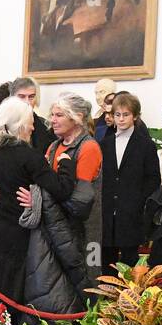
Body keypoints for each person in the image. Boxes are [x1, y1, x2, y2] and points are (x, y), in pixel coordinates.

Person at [0, 97, 79, 324]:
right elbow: (62, 190)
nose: (33, 126)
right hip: (23, 230)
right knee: (21, 282)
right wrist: (66, 164)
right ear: (18, 124)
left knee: (2, 282)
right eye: (30, 122)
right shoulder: (28, 155)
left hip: (1, 226)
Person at [44, 92, 103, 281]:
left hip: (85, 228)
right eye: (52, 115)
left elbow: (79, 197)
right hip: (59, 225)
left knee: (90, 271)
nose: (52, 120)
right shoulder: (53, 146)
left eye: (59, 115)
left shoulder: (89, 147)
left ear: (77, 118)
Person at [97, 91, 160, 270]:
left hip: (132, 213)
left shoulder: (145, 145)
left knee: (129, 263)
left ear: (135, 116)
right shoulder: (105, 144)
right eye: (117, 114)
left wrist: (139, 201)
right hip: (108, 212)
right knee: (106, 261)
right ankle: (105, 297)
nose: (121, 119)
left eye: (126, 115)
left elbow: (153, 178)